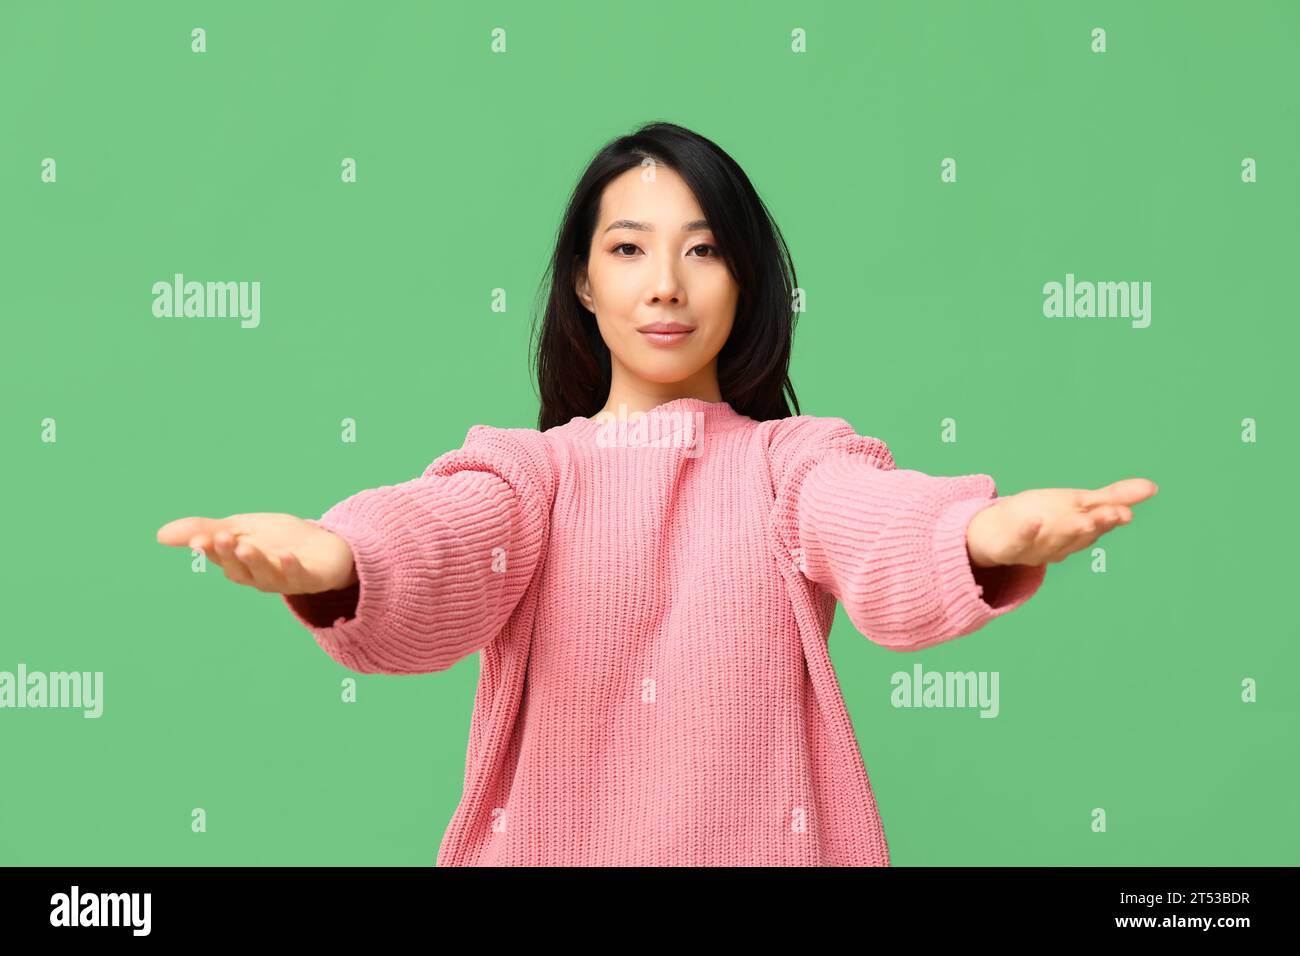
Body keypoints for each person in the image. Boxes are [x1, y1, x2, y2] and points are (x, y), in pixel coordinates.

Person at [157, 121, 1157, 866]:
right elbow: (447, 533)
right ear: (584, 285)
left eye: (704, 247)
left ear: (747, 279)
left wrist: (974, 534)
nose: (666, 283)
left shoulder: (791, 462)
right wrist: (346, 561)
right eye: (628, 248)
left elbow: (872, 521)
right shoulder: (533, 472)